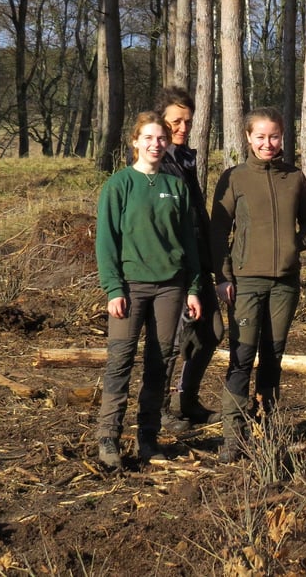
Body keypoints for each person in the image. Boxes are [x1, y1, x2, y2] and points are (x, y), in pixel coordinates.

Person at [209, 107, 306, 462]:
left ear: (283, 136)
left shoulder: (295, 177)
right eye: (260, 136)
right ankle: (234, 434)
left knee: (273, 355)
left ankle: (269, 425)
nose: (267, 143)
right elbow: (217, 232)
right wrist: (223, 276)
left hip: (285, 283)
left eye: (273, 136)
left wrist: (295, 246)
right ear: (248, 138)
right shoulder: (234, 178)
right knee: (242, 355)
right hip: (245, 281)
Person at [95, 112, 203, 468]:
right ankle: (108, 438)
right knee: (120, 361)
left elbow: (190, 242)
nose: (156, 144)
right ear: (135, 142)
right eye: (149, 138)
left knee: (161, 363)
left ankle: (148, 438)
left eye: (161, 139)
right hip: (130, 288)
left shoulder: (177, 187)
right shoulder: (119, 185)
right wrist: (114, 288)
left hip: (170, 287)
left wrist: (194, 286)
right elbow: (107, 242)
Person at [155, 87, 221, 428]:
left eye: (188, 121)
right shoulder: (155, 164)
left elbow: (197, 214)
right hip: (172, 267)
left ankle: (187, 399)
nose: (183, 127)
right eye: (176, 121)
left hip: (197, 263)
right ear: (161, 122)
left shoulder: (185, 159)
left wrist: (212, 261)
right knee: (173, 338)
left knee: (212, 332)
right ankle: (160, 409)